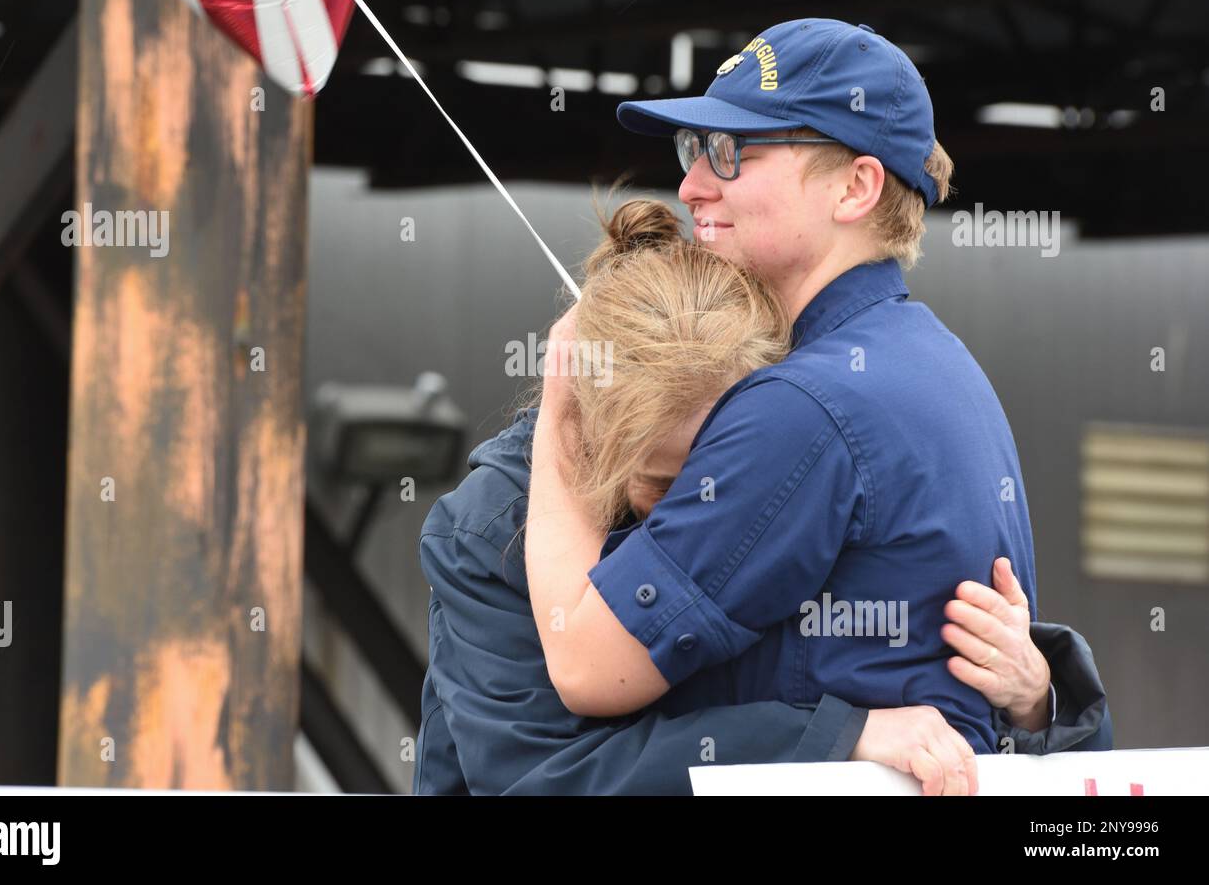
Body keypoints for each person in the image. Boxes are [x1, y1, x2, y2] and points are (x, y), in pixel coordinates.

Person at [521, 18, 1113, 785]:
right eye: (691, 151)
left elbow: (587, 661)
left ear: (857, 187)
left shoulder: (806, 404)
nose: (693, 184)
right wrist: (1040, 700)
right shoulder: (939, 365)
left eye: (734, 153)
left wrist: (567, 392)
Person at [415, 198, 1109, 796]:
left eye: (727, 461)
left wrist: (1037, 698)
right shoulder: (487, 531)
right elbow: (538, 776)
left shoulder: (776, 480)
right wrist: (842, 735)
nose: (705, 501)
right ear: (594, 427)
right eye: (662, 480)